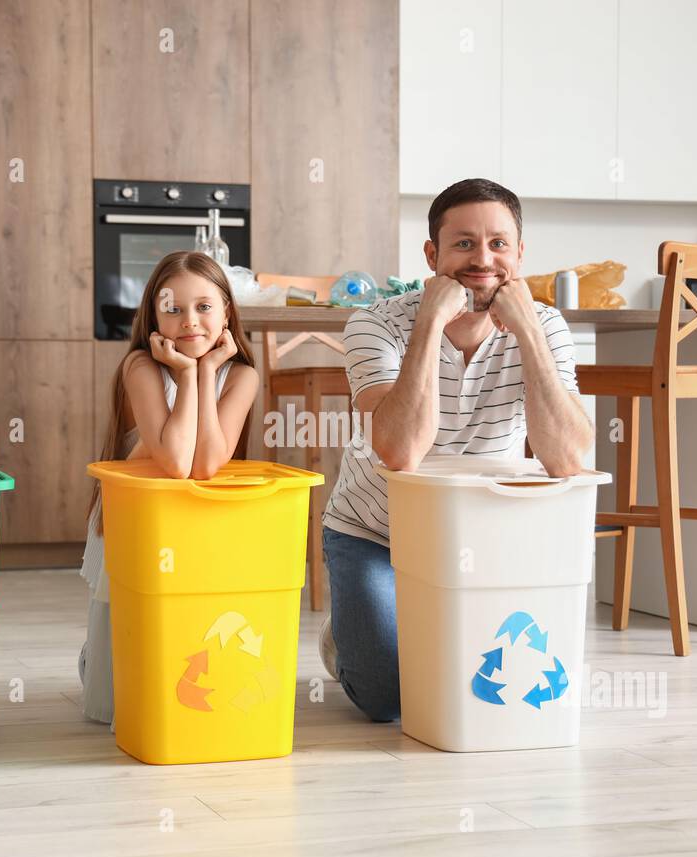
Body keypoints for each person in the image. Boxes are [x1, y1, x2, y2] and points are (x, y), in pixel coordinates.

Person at [319, 178, 595, 722]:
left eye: (498, 244)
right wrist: (429, 322)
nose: (483, 259)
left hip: (486, 535)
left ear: (519, 254)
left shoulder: (546, 326)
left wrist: (529, 336)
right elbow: (400, 451)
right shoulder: (375, 323)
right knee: (387, 699)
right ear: (432, 254)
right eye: (464, 243)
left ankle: (403, 625)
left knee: (473, 685)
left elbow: (566, 458)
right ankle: (349, 636)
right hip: (377, 534)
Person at [79, 251, 259, 727]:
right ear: (153, 317)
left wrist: (204, 372)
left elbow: (207, 463)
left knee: (184, 619)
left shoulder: (241, 375)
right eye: (172, 308)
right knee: (109, 696)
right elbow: (179, 462)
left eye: (203, 307)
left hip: (193, 522)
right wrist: (187, 372)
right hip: (138, 522)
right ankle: (96, 662)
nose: (189, 321)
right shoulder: (141, 366)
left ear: (226, 313)